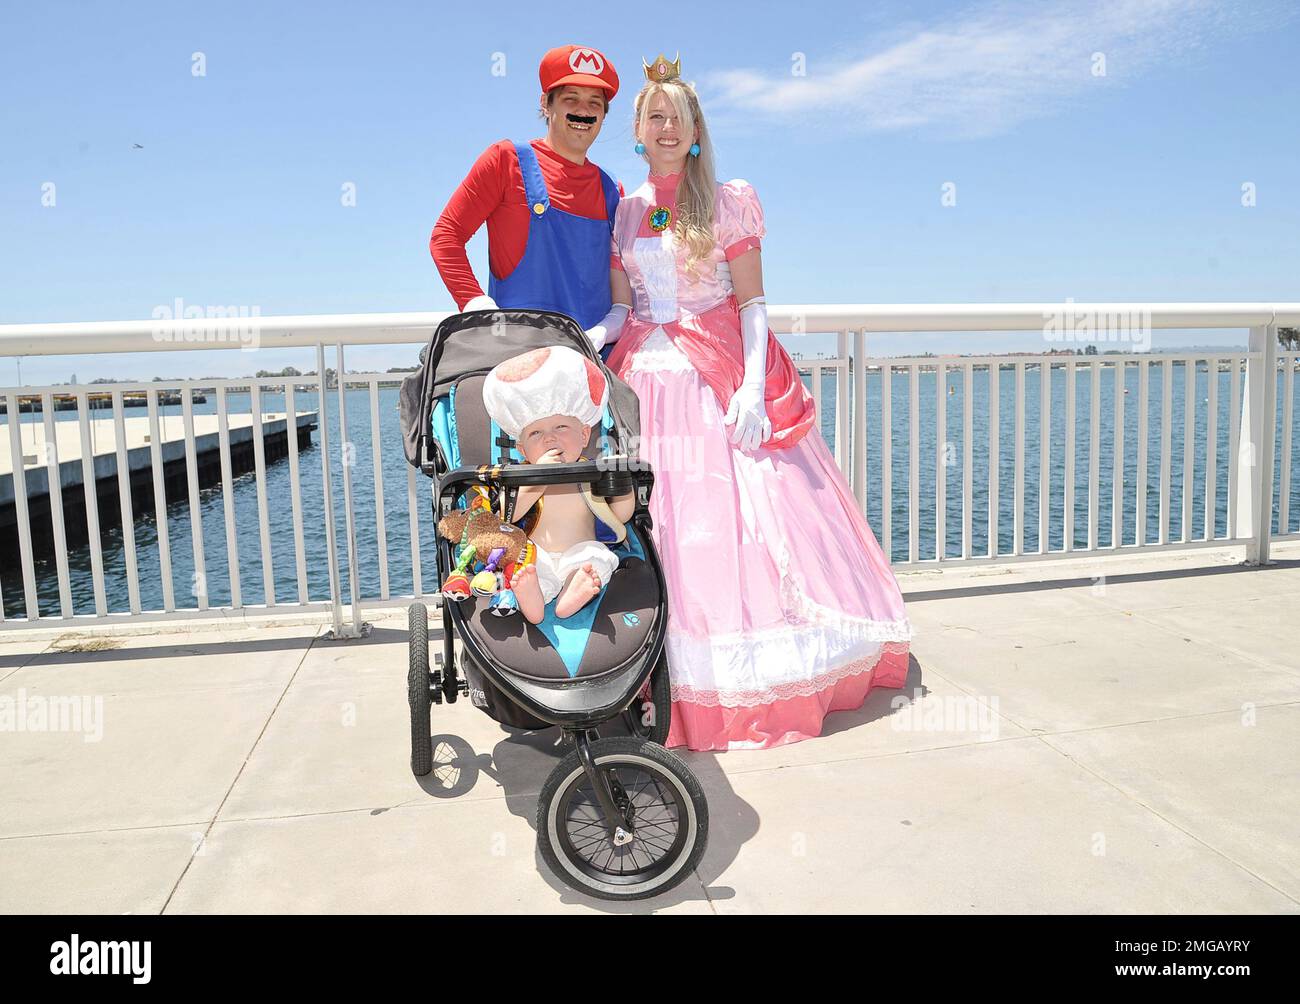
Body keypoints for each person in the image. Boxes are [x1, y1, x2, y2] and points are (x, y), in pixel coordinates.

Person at [591, 54, 915, 751]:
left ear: (696, 130)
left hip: (714, 372)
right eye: (655, 115)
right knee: (660, 522)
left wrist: (748, 386)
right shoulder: (626, 210)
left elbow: (752, 303)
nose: (667, 126)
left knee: (738, 519)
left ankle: (740, 684)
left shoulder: (729, 198)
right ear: (638, 133)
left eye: (679, 115)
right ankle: (655, 672)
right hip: (646, 379)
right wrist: (596, 334)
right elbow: (624, 308)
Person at [430, 44, 628, 348]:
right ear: (546, 105)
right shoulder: (504, 161)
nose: (583, 111)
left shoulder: (613, 190)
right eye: (570, 99)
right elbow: (446, 236)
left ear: (603, 115)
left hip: (592, 361)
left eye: (594, 103)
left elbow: (626, 281)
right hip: (516, 360)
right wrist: (475, 304)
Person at [481, 345, 635, 622]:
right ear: (522, 449)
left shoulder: (590, 472)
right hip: (536, 553)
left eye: (561, 428)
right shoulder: (521, 476)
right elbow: (506, 515)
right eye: (536, 433)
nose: (550, 438)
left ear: (585, 434)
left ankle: (573, 592)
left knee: (597, 557)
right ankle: (532, 598)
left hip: (580, 550)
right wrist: (536, 480)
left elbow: (619, 518)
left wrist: (622, 485)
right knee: (524, 564)